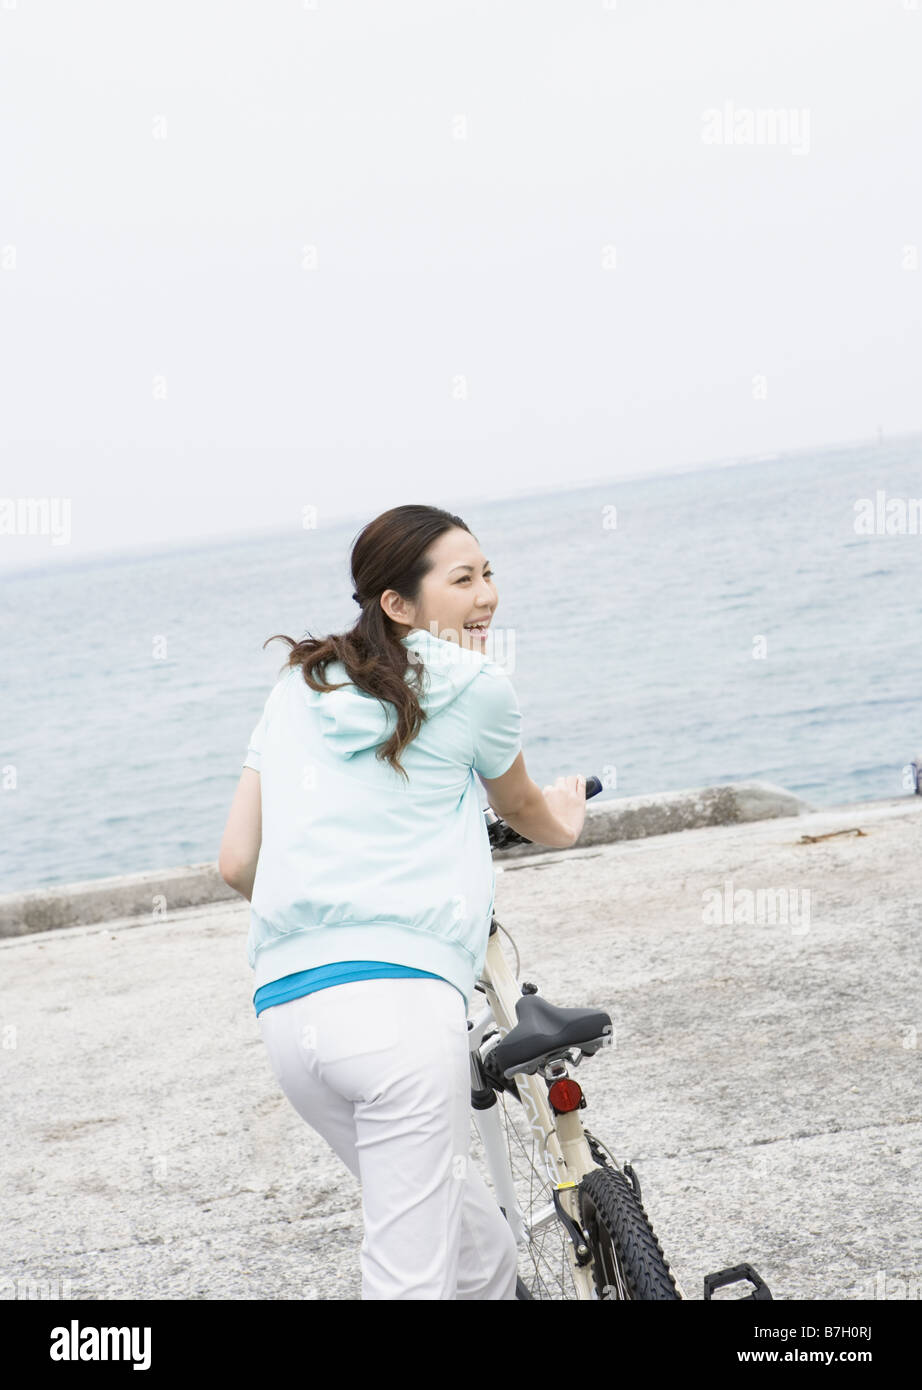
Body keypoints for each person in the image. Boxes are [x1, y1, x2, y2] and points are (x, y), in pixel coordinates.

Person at [218, 504, 587, 1299]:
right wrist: (568, 820)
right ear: (398, 602)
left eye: (489, 572)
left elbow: (236, 860)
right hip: (396, 1009)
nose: (487, 593)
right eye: (463, 578)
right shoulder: (478, 685)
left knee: (477, 1247)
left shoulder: (299, 683)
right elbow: (524, 809)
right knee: (409, 1280)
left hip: (290, 1018)